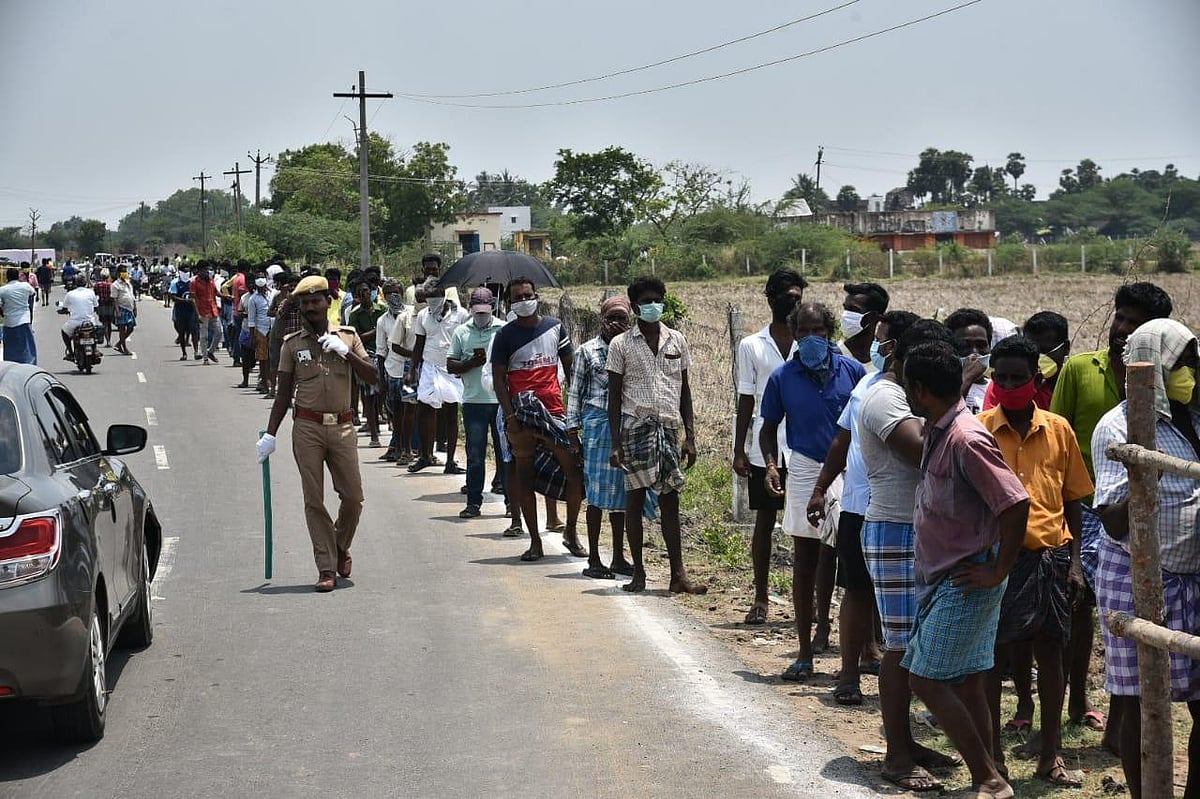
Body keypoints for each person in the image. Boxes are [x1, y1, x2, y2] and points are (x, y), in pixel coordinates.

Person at [900, 340, 1030, 799]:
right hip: (944, 576)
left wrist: (998, 569)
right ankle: (993, 773)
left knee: (926, 678)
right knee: (970, 680)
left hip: (967, 576)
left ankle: (988, 778)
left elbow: (1015, 504)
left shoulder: (965, 437)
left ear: (918, 389)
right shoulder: (938, 427)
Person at [1049, 281, 1173, 748]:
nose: (1121, 329)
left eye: (1133, 323)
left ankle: (1120, 728)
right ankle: (1073, 705)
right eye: (1118, 318)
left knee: (1128, 623)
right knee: (1077, 613)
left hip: (1131, 515)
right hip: (1082, 509)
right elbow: (1056, 440)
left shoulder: (1164, 384)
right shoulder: (1081, 369)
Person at [978, 335, 1093, 788]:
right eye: (1000, 377)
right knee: (990, 658)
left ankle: (1050, 755)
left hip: (1051, 557)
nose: (1007, 384)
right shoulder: (979, 428)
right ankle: (994, 758)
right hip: (999, 560)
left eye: (1017, 377)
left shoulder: (1059, 429)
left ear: (1036, 379)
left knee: (1052, 655)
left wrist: (1076, 564)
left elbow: (1073, 502)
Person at [1092, 318, 1200, 799]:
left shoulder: (1194, 416)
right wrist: (1144, 477)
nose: (1191, 374)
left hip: (1194, 574)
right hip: (1140, 574)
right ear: (1156, 368)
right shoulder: (1119, 427)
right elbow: (1114, 522)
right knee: (1141, 702)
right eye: (1183, 365)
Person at [809, 310, 919, 711]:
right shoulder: (867, 384)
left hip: (900, 511)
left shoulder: (916, 392)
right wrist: (821, 488)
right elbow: (842, 441)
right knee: (856, 590)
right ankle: (849, 674)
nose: (876, 344)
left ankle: (904, 685)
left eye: (884, 339)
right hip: (858, 502)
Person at [759, 302, 864, 681]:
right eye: (803, 332)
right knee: (806, 559)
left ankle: (849, 644)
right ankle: (804, 651)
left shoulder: (852, 372)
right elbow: (768, 428)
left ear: (830, 332)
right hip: (804, 467)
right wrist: (772, 465)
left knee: (847, 556)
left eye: (818, 331)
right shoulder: (783, 377)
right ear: (795, 334)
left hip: (849, 468)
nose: (811, 339)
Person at [257, 275, 378, 592]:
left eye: (316, 301)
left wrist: (345, 353)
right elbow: (283, 394)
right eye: (305, 302)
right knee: (314, 500)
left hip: (343, 426)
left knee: (353, 498)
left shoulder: (349, 337)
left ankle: (339, 545)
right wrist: (270, 434)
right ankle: (326, 568)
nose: (311, 307)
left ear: (329, 302)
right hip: (307, 427)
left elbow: (373, 377)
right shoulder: (292, 344)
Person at [608, 276, 705, 593]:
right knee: (634, 502)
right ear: (635, 306)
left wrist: (690, 436)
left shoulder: (677, 340)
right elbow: (614, 397)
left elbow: (685, 390)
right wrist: (616, 444)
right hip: (635, 427)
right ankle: (639, 573)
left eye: (657, 299)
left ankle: (678, 575)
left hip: (668, 428)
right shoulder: (621, 344)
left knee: (670, 501)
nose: (653, 305)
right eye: (646, 301)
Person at [732, 269, 807, 624]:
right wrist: (738, 449)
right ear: (770, 297)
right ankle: (761, 597)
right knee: (765, 520)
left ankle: (808, 603)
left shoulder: (808, 344)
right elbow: (746, 399)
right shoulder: (751, 345)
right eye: (786, 297)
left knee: (809, 526)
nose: (792, 302)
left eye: (797, 297)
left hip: (805, 445)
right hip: (767, 446)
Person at [492, 277, 585, 561]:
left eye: (527, 295)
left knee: (575, 472)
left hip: (555, 412)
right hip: (521, 416)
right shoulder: (505, 335)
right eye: (517, 297)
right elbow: (499, 379)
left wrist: (574, 413)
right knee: (524, 478)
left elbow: (572, 373)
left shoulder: (555, 327)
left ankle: (570, 530)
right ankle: (535, 541)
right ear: (510, 303)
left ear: (536, 296)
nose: (523, 300)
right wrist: (510, 417)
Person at [567, 295, 643, 579]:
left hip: (626, 424)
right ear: (602, 319)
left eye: (621, 318)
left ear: (629, 321)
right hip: (597, 426)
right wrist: (573, 435)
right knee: (597, 495)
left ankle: (618, 557)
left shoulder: (633, 350)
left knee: (622, 494)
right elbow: (575, 394)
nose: (616, 324)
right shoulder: (588, 352)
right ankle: (595, 559)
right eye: (611, 318)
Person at [448, 287, 506, 518]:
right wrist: (471, 362)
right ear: (471, 309)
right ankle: (473, 502)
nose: (481, 316)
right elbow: (451, 365)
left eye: (485, 311)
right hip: (473, 402)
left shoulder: (503, 330)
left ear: (492, 307)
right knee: (475, 454)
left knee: (505, 455)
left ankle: (512, 505)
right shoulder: (461, 332)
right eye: (477, 312)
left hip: (501, 401)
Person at [408, 280, 468, 474]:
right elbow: (419, 344)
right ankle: (425, 456)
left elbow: (467, 341)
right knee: (424, 409)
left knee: (451, 413)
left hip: (451, 368)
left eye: (435, 297)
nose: (432, 302)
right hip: (429, 367)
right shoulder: (423, 316)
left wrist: (465, 366)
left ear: (444, 295)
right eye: (429, 298)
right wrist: (412, 370)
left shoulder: (460, 314)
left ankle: (450, 461)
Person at [347, 281, 387, 447]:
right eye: (360, 292)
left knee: (384, 392)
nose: (364, 294)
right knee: (369, 395)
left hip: (385, 353)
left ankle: (385, 419)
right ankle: (374, 434)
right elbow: (355, 339)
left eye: (367, 290)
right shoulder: (354, 315)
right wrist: (376, 332)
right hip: (366, 356)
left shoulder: (383, 311)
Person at [945, 308, 993, 414]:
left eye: (981, 345)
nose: (974, 353)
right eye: (964, 346)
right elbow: (944, 416)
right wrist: (967, 378)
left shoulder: (997, 389)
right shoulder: (941, 387)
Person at [0, 268, 38, 364]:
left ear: (7, 277)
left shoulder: (2, 290)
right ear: (18, 276)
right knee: (27, 347)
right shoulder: (25, 286)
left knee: (10, 347)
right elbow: (33, 293)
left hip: (8, 322)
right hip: (23, 320)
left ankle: (11, 365)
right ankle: (29, 366)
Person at [243, 277, 272, 392]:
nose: (261, 290)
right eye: (259, 288)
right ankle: (264, 382)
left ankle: (269, 380)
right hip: (261, 330)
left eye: (263, 287)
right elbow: (251, 319)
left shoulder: (272, 294)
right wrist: (252, 336)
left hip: (272, 328)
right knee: (262, 358)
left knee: (272, 357)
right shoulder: (253, 299)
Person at [191, 262, 223, 363]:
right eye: (205, 269)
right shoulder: (194, 282)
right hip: (202, 311)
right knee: (204, 336)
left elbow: (216, 292)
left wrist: (225, 296)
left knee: (219, 332)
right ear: (199, 270)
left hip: (213, 310)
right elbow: (194, 299)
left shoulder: (211, 280)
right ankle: (205, 357)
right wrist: (197, 314)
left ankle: (211, 351)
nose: (207, 272)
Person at [58, 280, 99, 358]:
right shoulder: (91, 292)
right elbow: (96, 306)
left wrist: (62, 311)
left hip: (75, 323)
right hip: (90, 322)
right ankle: (95, 349)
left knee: (64, 332)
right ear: (85, 283)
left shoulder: (70, 294)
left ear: (75, 283)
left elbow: (64, 308)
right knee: (94, 334)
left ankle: (70, 352)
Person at [169, 266, 200, 361]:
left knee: (194, 331)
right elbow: (173, 297)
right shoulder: (175, 283)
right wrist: (185, 301)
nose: (186, 273)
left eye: (188, 271)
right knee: (181, 332)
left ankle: (196, 351)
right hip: (180, 311)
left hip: (191, 311)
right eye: (184, 271)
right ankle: (184, 353)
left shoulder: (192, 282)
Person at [111, 268, 137, 355]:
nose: (125, 273)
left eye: (125, 272)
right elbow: (114, 299)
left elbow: (132, 296)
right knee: (122, 329)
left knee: (131, 327)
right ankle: (124, 348)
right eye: (123, 272)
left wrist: (135, 307)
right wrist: (117, 311)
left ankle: (119, 344)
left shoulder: (128, 283)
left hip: (129, 308)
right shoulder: (115, 285)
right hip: (121, 308)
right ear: (119, 273)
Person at [93, 269, 116, 347]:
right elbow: (113, 296)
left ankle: (108, 341)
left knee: (104, 323)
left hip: (101, 305)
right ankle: (109, 339)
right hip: (110, 305)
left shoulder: (97, 285)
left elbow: (95, 296)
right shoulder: (111, 285)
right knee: (109, 324)